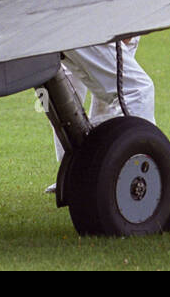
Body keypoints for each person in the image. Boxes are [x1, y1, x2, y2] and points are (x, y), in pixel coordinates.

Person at [45, 37, 154, 191]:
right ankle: (144, 180)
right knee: (136, 91)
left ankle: (79, 175)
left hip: (60, 26)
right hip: (83, 24)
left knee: (88, 93)